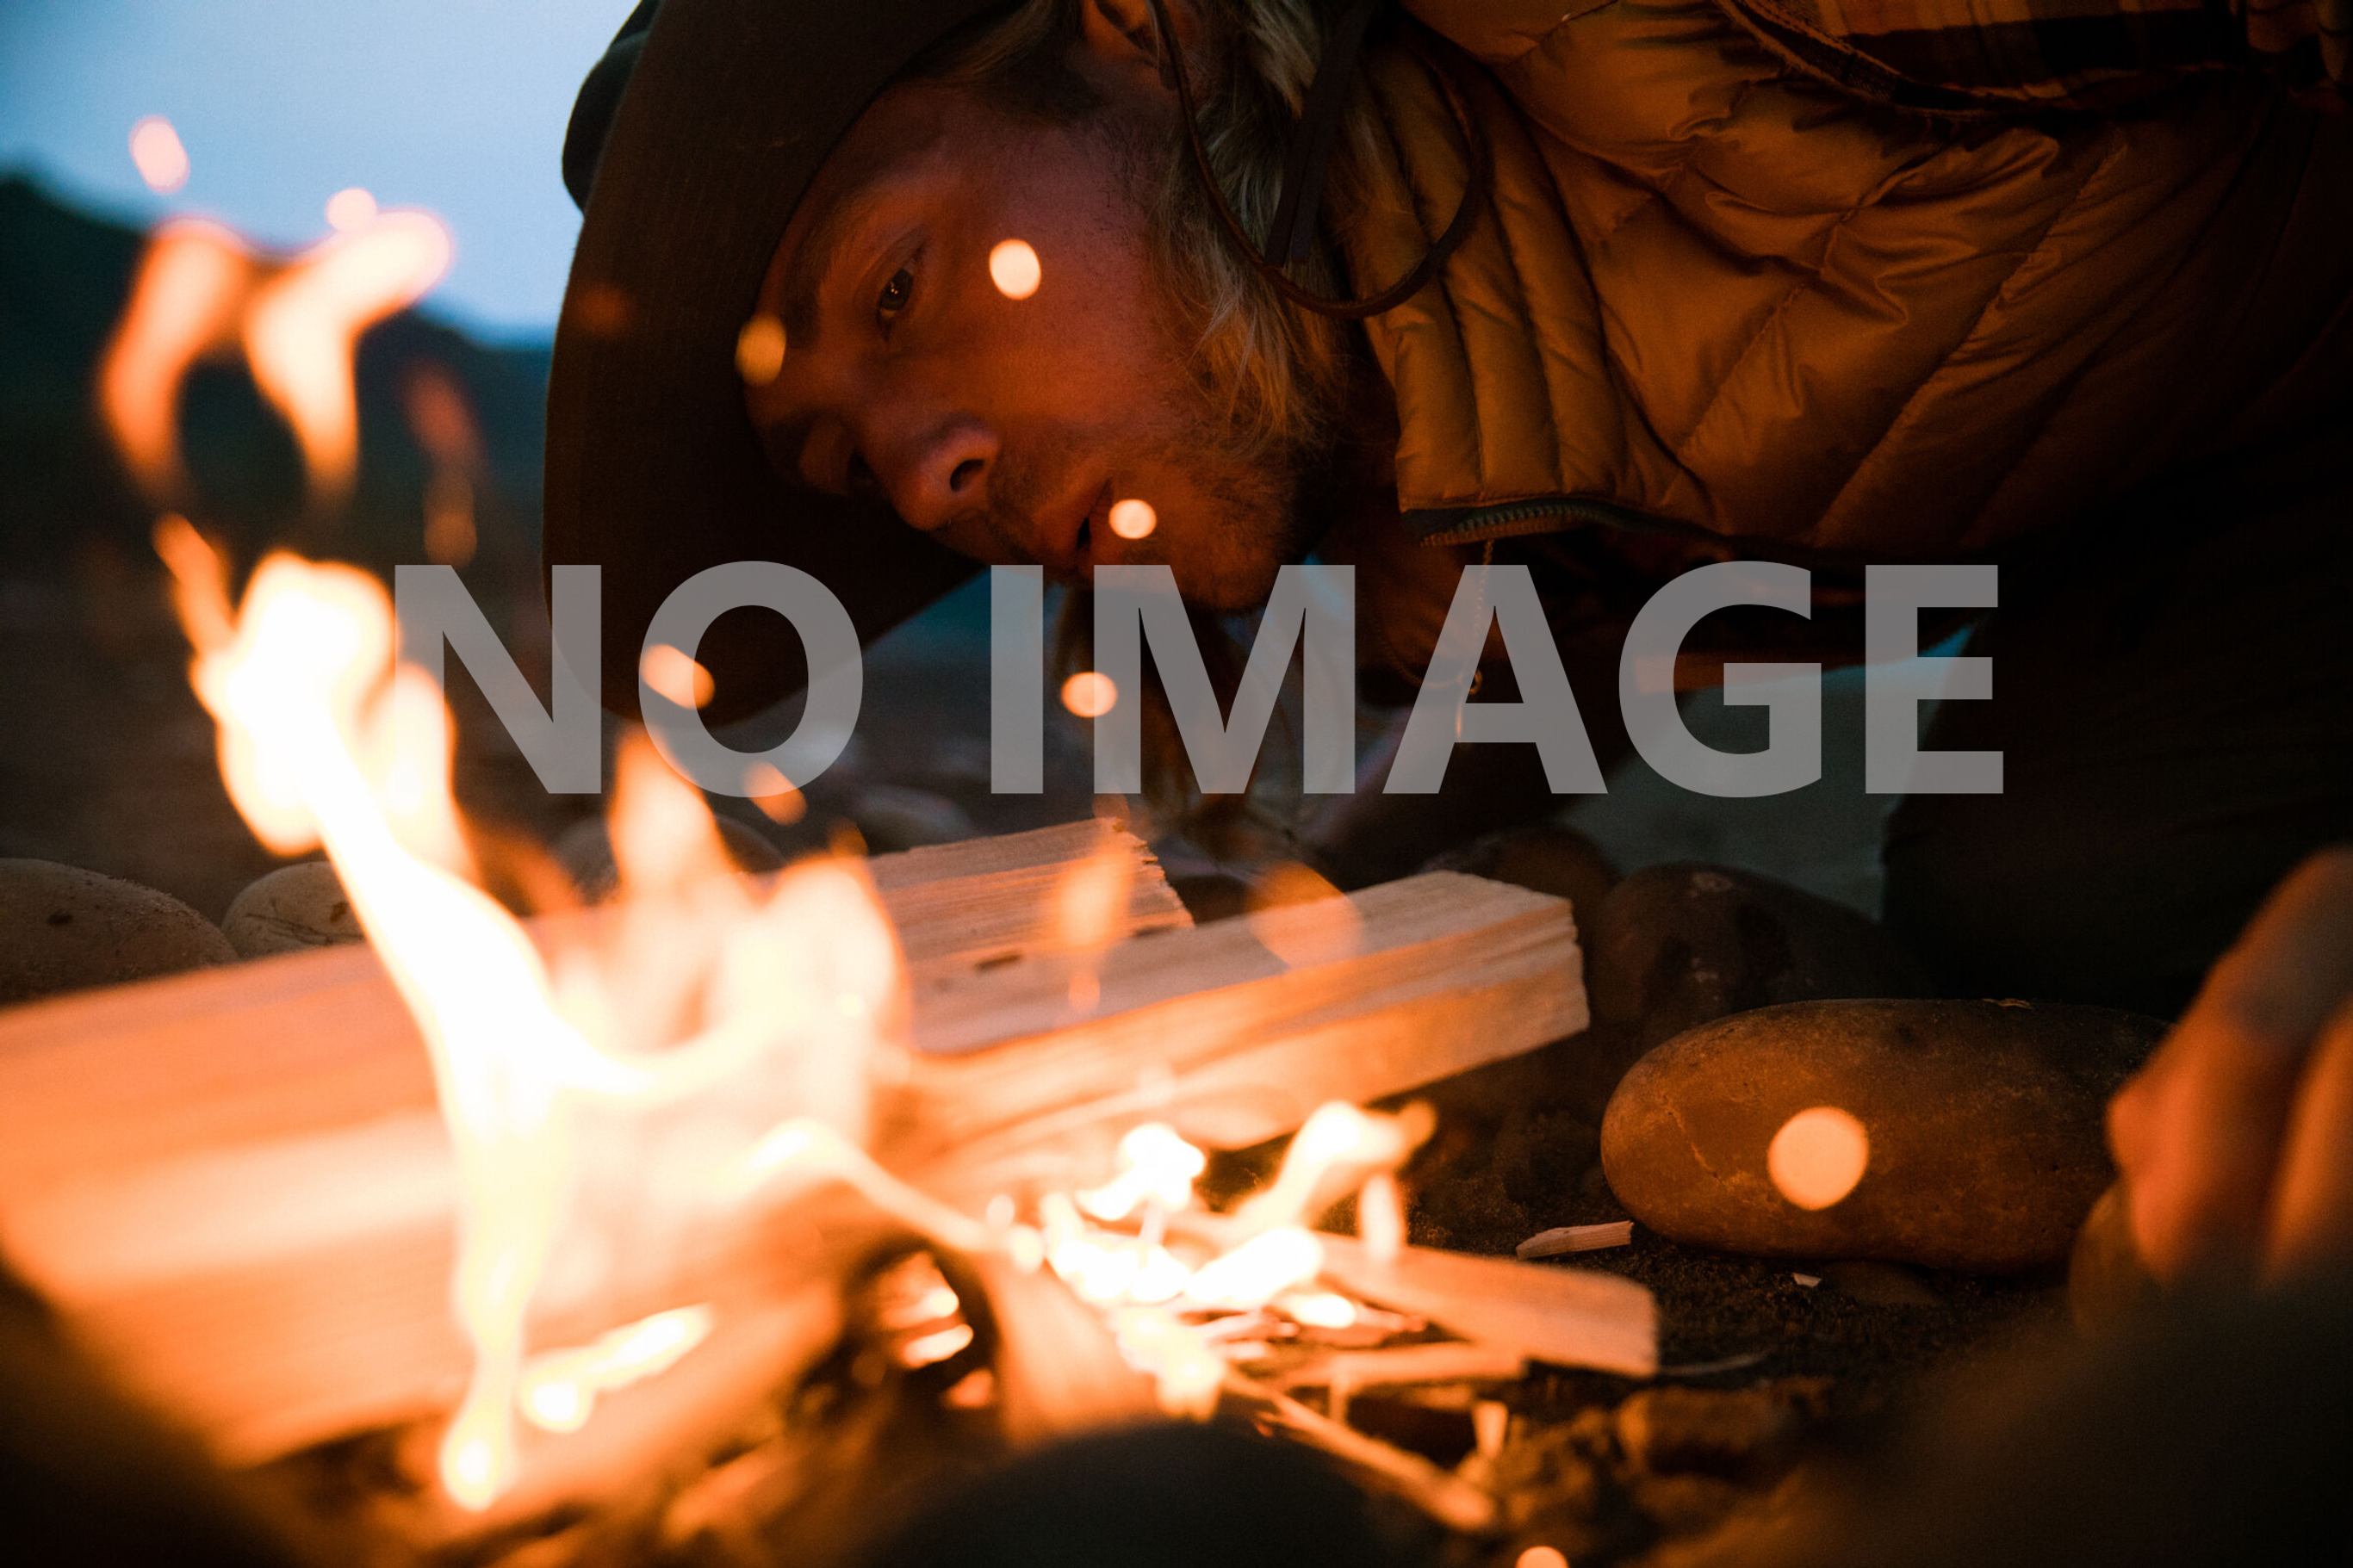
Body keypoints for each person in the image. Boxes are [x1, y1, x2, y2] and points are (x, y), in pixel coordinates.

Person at [543, 2, 2352, 1286]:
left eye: (896, 286)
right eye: (853, 457)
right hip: (2203, 481)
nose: (930, 470)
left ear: (1139, 31)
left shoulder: (1737, 31)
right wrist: (1303, 909)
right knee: (2049, 900)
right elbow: (1583, 642)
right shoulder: (1378, 433)